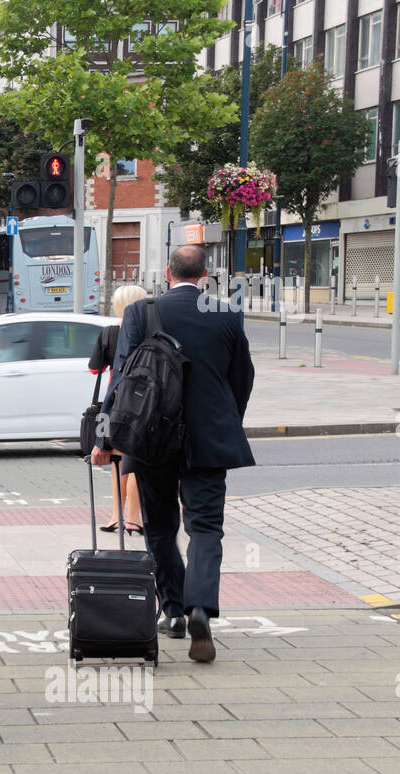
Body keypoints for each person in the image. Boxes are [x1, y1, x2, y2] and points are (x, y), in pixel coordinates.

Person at [93, 245, 255, 663]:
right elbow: (242, 378)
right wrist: (224, 419)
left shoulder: (142, 313)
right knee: (204, 528)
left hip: (152, 438)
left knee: (160, 527)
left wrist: (105, 436)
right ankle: (200, 607)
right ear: (205, 275)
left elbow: (124, 378)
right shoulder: (227, 313)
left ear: (167, 273)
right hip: (208, 439)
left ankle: (173, 610)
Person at [88, 284, 146, 535]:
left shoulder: (109, 333)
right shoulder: (150, 331)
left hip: (117, 403)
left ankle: (116, 516)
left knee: (117, 461)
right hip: (144, 402)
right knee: (139, 461)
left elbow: (94, 369)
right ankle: (135, 518)